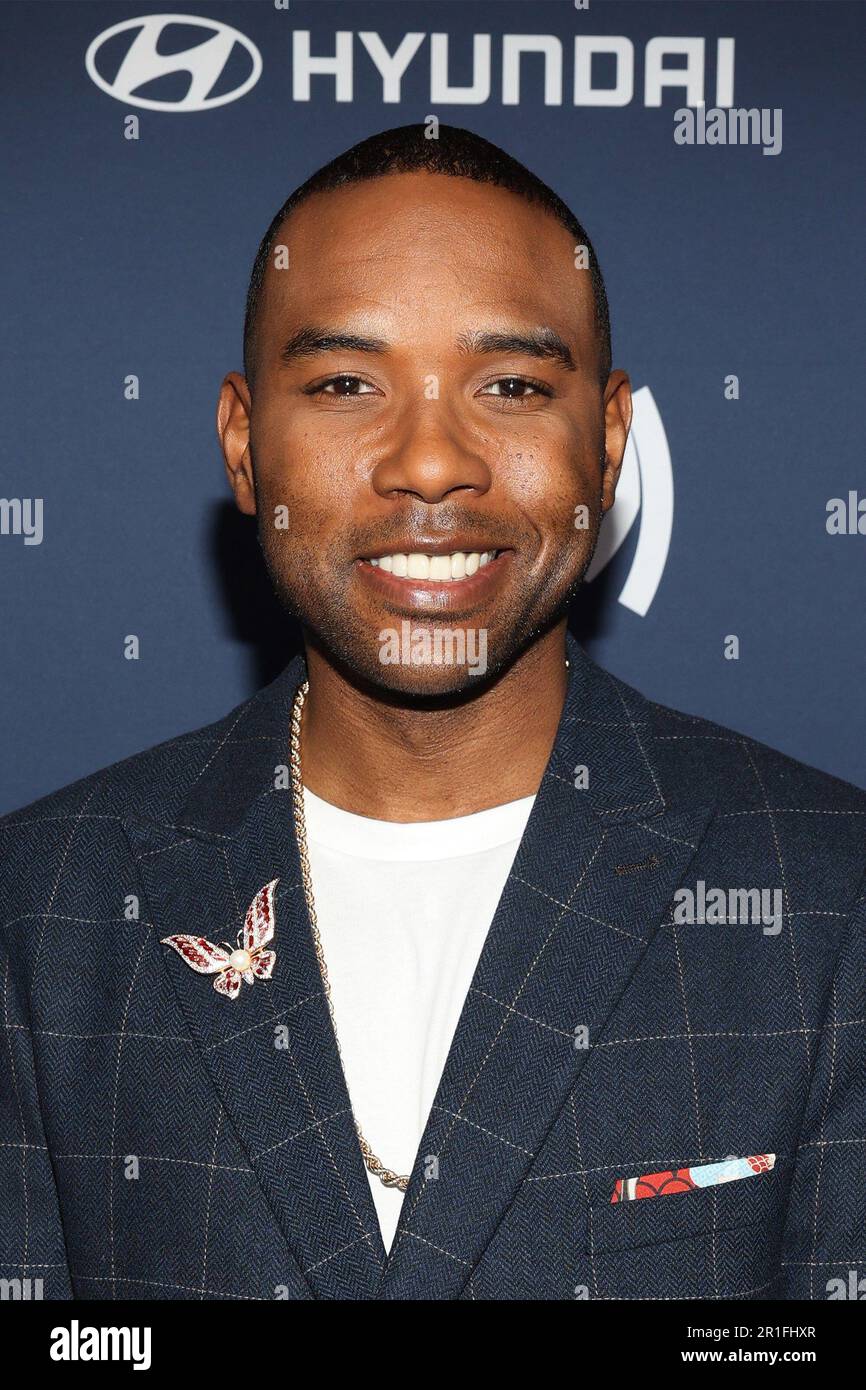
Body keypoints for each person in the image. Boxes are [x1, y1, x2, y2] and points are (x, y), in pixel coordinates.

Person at [1, 125, 863, 1302]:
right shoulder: (43, 912)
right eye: (346, 384)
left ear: (607, 444)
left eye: (507, 385)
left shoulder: (825, 900)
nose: (428, 461)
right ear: (244, 443)